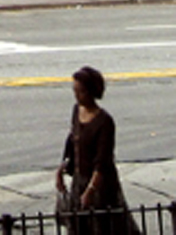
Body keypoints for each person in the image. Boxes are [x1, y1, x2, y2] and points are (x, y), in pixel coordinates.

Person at [56, 66, 133, 232]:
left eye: (81, 91)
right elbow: (72, 143)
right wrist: (61, 171)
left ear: (91, 92)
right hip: (79, 180)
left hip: (100, 185)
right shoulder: (76, 110)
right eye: (75, 90)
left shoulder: (104, 121)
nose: (77, 95)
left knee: (102, 226)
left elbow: (102, 161)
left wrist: (91, 190)